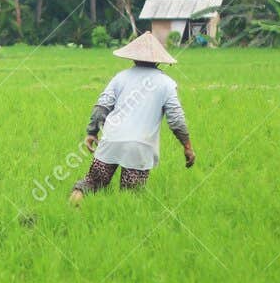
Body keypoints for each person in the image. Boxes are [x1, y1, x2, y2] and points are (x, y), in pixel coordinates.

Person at [69, 31, 195, 204]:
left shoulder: (120, 77)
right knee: (130, 197)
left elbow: (102, 107)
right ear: (158, 60)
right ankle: (122, 223)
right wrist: (187, 146)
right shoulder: (166, 84)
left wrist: (92, 132)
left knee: (91, 183)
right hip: (140, 146)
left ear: (133, 58)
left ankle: (73, 209)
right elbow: (176, 120)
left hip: (111, 139)